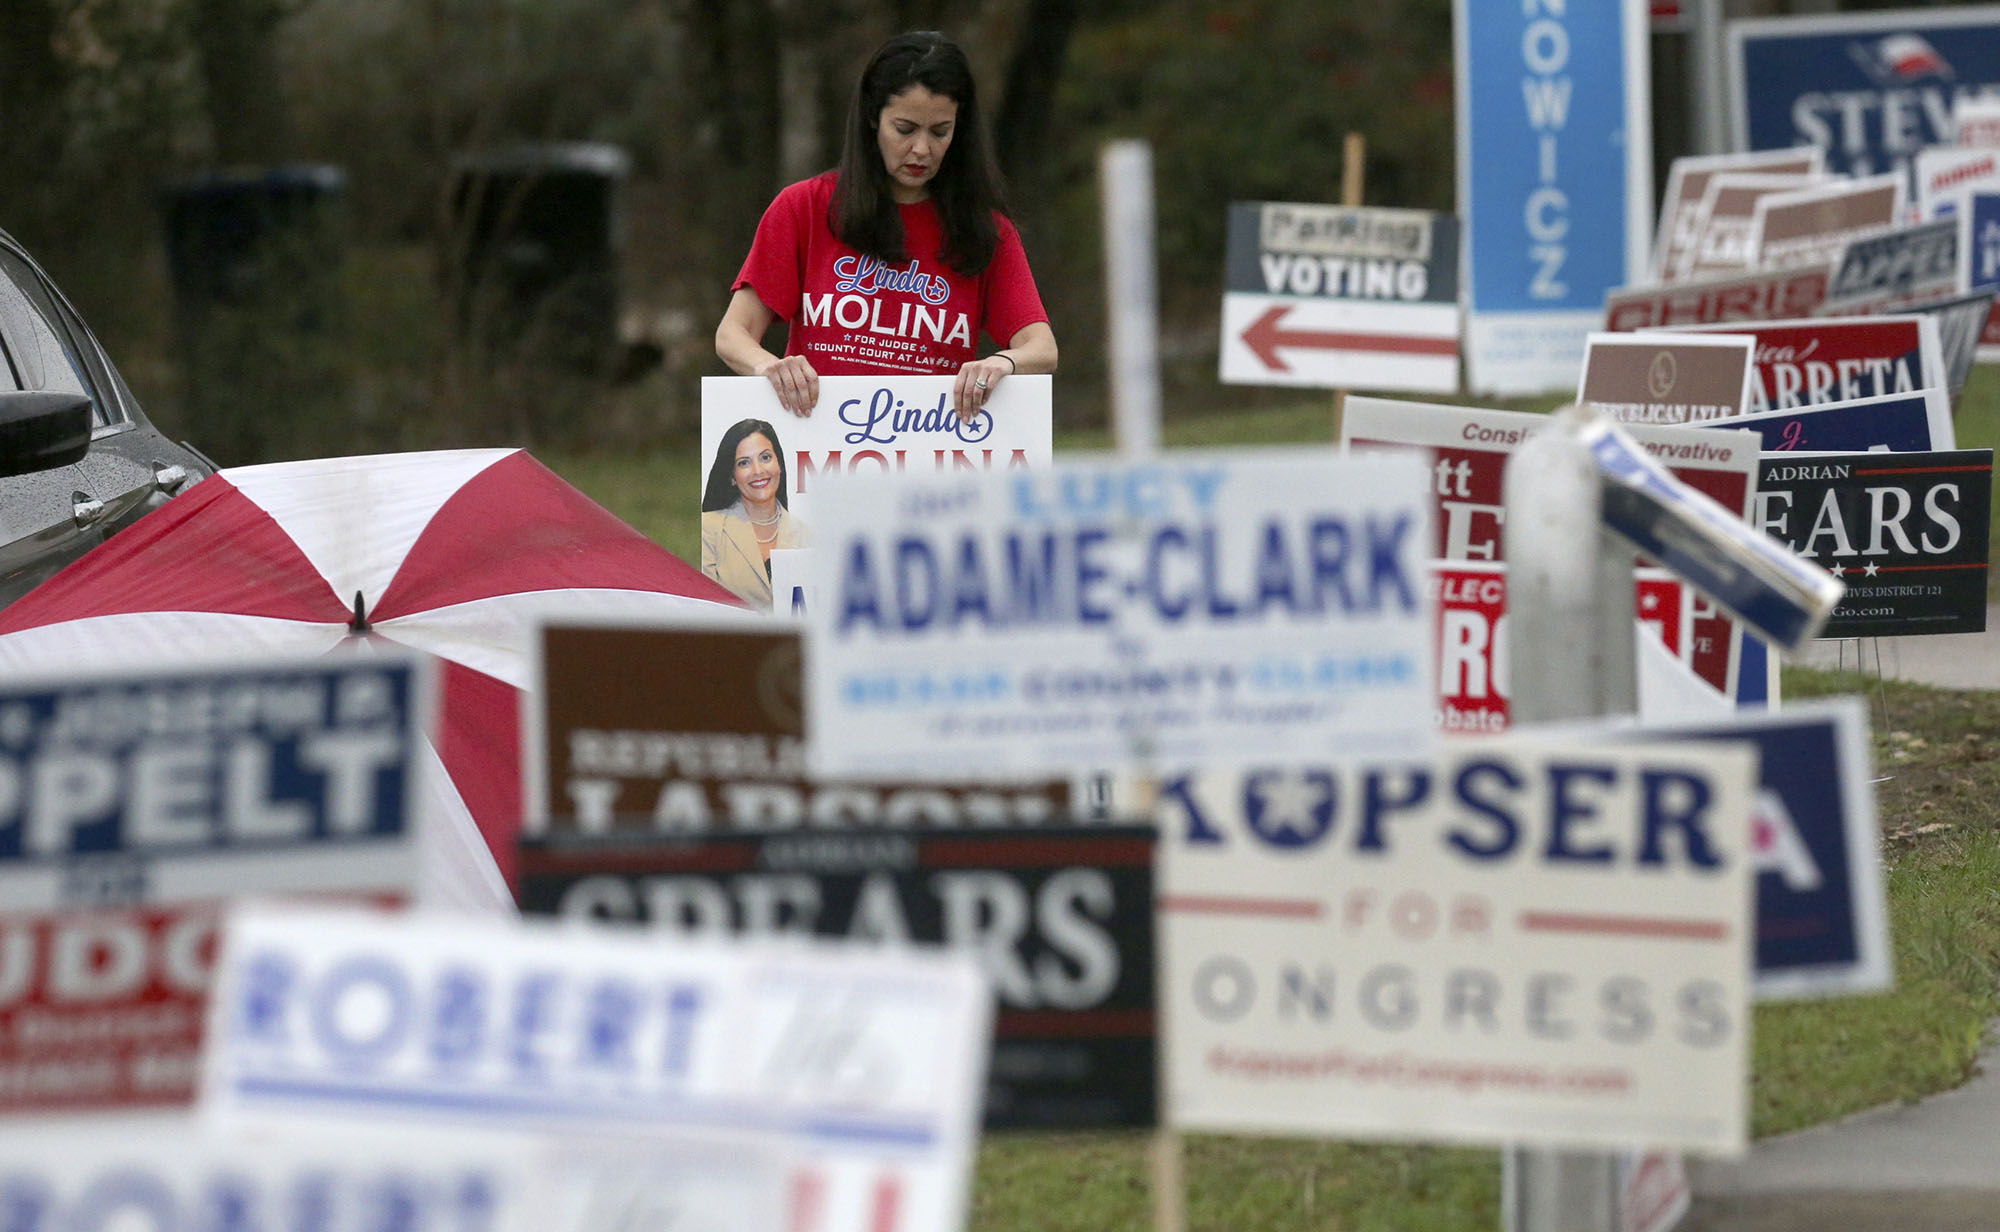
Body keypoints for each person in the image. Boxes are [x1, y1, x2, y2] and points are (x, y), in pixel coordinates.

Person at [715, 30, 1057, 422]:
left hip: (934, 456)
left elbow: (1042, 349)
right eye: (905, 129)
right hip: (819, 450)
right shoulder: (803, 208)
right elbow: (733, 334)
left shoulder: (986, 229)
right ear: (872, 118)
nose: (922, 150)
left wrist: (1002, 364)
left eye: (940, 132)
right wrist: (768, 367)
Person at [701, 418, 805, 609]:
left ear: (779, 464)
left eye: (765, 457)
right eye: (744, 463)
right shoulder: (707, 530)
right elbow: (704, 608)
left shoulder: (809, 535)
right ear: (732, 476)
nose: (757, 471)